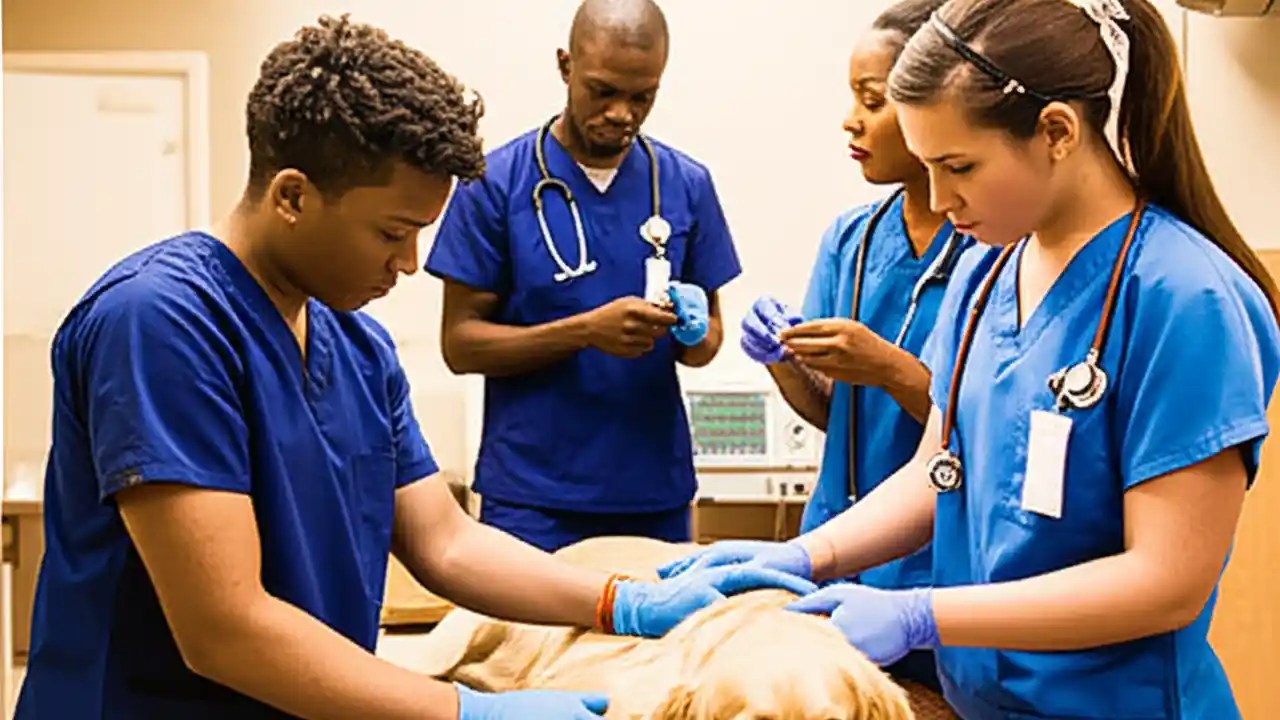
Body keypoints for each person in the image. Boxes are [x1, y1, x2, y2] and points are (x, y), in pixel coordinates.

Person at [13, 15, 814, 720]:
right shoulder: (161, 322)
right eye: (392, 231)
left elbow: (446, 545)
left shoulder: (355, 348)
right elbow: (225, 630)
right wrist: (462, 711)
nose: (410, 262)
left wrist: (625, 601)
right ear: (292, 195)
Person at [659, 1, 1280, 718]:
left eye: (958, 166)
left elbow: (1167, 581)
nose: (937, 197)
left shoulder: (1184, 297)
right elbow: (937, 466)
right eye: (925, 167)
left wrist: (925, 615)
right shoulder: (988, 279)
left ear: (1055, 132)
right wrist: (806, 558)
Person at [708, 0, 968, 692]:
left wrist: (887, 368)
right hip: (838, 548)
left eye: (872, 100)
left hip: (938, 567)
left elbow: (975, 433)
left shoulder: (992, 250)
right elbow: (834, 414)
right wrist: (784, 359)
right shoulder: (850, 242)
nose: (851, 120)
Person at [424, 0, 741, 553]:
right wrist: (584, 332)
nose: (622, 113)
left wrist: (695, 332)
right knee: (526, 641)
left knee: (653, 642)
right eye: (603, 91)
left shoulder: (686, 184)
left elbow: (708, 339)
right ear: (565, 66)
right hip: (531, 498)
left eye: (642, 97)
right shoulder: (495, 183)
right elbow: (461, 345)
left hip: (652, 495)